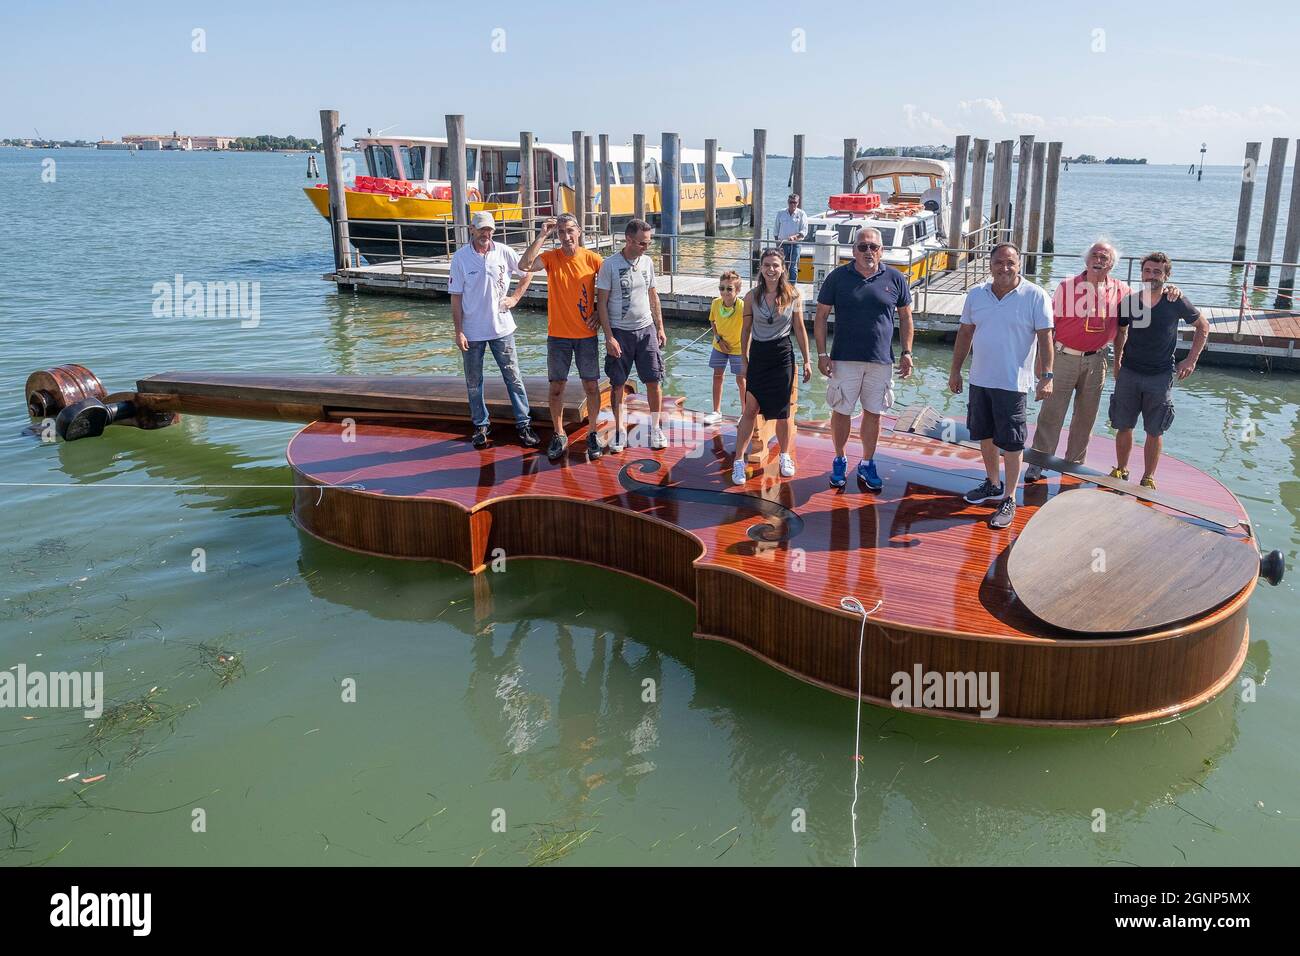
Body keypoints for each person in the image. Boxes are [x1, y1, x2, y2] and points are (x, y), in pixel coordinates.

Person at [1025, 240, 1180, 481]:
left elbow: (1133, 320)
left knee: (1086, 417)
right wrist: (1043, 365)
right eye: (1095, 255)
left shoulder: (1122, 292)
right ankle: (1038, 462)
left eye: (1104, 258)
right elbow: (1048, 328)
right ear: (1087, 260)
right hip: (1064, 356)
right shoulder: (1067, 287)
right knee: (1051, 413)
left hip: (1097, 360)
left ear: (1111, 265)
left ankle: (1073, 466)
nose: (1099, 260)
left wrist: (1172, 290)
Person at [948, 243, 1054, 530]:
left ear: (1019, 264)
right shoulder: (976, 295)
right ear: (990, 264)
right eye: (999, 262)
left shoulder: (1035, 295)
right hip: (980, 378)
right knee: (984, 434)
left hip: (1013, 383)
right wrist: (955, 370)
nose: (1004, 268)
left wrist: (1047, 376)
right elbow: (965, 332)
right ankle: (992, 484)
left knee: (1012, 441)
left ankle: (1010, 497)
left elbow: (1045, 338)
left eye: (1010, 263)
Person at [813, 226, 914, 491]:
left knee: (874, 413)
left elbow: (905, 317)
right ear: (854, 250)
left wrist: (906, 352)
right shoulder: (837, 277)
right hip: (844, 359)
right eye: (863, 246)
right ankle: (840, 458)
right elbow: (821, 316)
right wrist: (822, 354)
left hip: (881, 360)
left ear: (881, 250)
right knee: (841, 410)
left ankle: (868, 463)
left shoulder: (895, 278)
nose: (868, 251)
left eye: (873, 247)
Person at [1108, 252, 1209, 489]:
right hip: (1130, 372)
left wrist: (1191, 360)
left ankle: (1148, 477)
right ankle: (1121, 470)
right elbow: (1121, 332)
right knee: (1124, 425)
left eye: (1157, 272)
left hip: (1160, 375)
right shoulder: (1130, 302)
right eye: (1147, 271)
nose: (1151, 275)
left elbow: (1203, 327)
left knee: (1155, 429)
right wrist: (1117, 362)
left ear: (1166, 275)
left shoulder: (1175, 301)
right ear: (1141, 273)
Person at [449, 212, 540, 449]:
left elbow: (527, 270)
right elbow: (456, 298)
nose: (485, 234)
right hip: (471, 331)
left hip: (502, 329)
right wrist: (458, 331)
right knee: (473, 382)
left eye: (489, 230)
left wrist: (515, 298)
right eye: (481, 229)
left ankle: (523, 423)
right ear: (472, 229)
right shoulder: (460, 258)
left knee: (514, 378)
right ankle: (480, 425)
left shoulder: (504, 251)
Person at [519, 214, 605, 462]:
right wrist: (542, 234)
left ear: (578, 231)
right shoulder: (551, 258)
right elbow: (524, 265)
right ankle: (558, 433)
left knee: (591, 385)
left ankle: (592, 432)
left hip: (586, 335)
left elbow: (610, 286)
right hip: (557, 336)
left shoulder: (593, 259)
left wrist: (599, 311)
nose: (566, 237)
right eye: (561, 232)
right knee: (557, 388)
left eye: (570, 231)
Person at [731, 248, 812, 485]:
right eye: (767, 265)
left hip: (782, 356)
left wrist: (808, 360)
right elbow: (745, 330)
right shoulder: (751, 297)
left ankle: (785, 455)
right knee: (750, 409)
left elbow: (799, 329)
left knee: (783, 411)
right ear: (761, 269)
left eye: (775, 265)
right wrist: (742, 358)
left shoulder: (793, 295)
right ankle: (738, 460)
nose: (771, 270)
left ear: (783, 268)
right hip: (759, 355)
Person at [596, 219, 667, 452]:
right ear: (628, 240)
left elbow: (653, 296)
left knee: (654, 380)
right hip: (619, 332)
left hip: (646, 330)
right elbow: (602, 304)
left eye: (648, 243)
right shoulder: (609, 265)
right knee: (618, 384)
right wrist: (609, 337)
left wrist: (660, 327)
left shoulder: (647, 262)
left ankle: (656, 427)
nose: (646, 247)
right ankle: (619, 429)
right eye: (642, 243)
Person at [703, 270, 746, 425]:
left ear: (738, 291)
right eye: (722, 288)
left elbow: (750, 327)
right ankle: (716, 411)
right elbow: (712, 321)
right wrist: (718, 339)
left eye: (729, 289)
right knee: (717, 376)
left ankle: (745, 412)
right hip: (720, 345)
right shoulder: (715, 303)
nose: (725, 292)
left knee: (741, 380)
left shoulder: (743, 306)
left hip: (738, 348)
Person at [774, 193, 808, 282]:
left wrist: (795, 237)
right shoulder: (780, 213)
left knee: (793, 266)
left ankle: (792, 286)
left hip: (796, 244)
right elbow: (776, 230)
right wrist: (777, 243)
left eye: (794, 202)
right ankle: (782, 284)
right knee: (782, 265)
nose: (792, 204)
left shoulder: (802, 214)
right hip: (783, 243)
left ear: (798, 203)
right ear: (787, 202)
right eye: (790, 202)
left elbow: (804, 231)